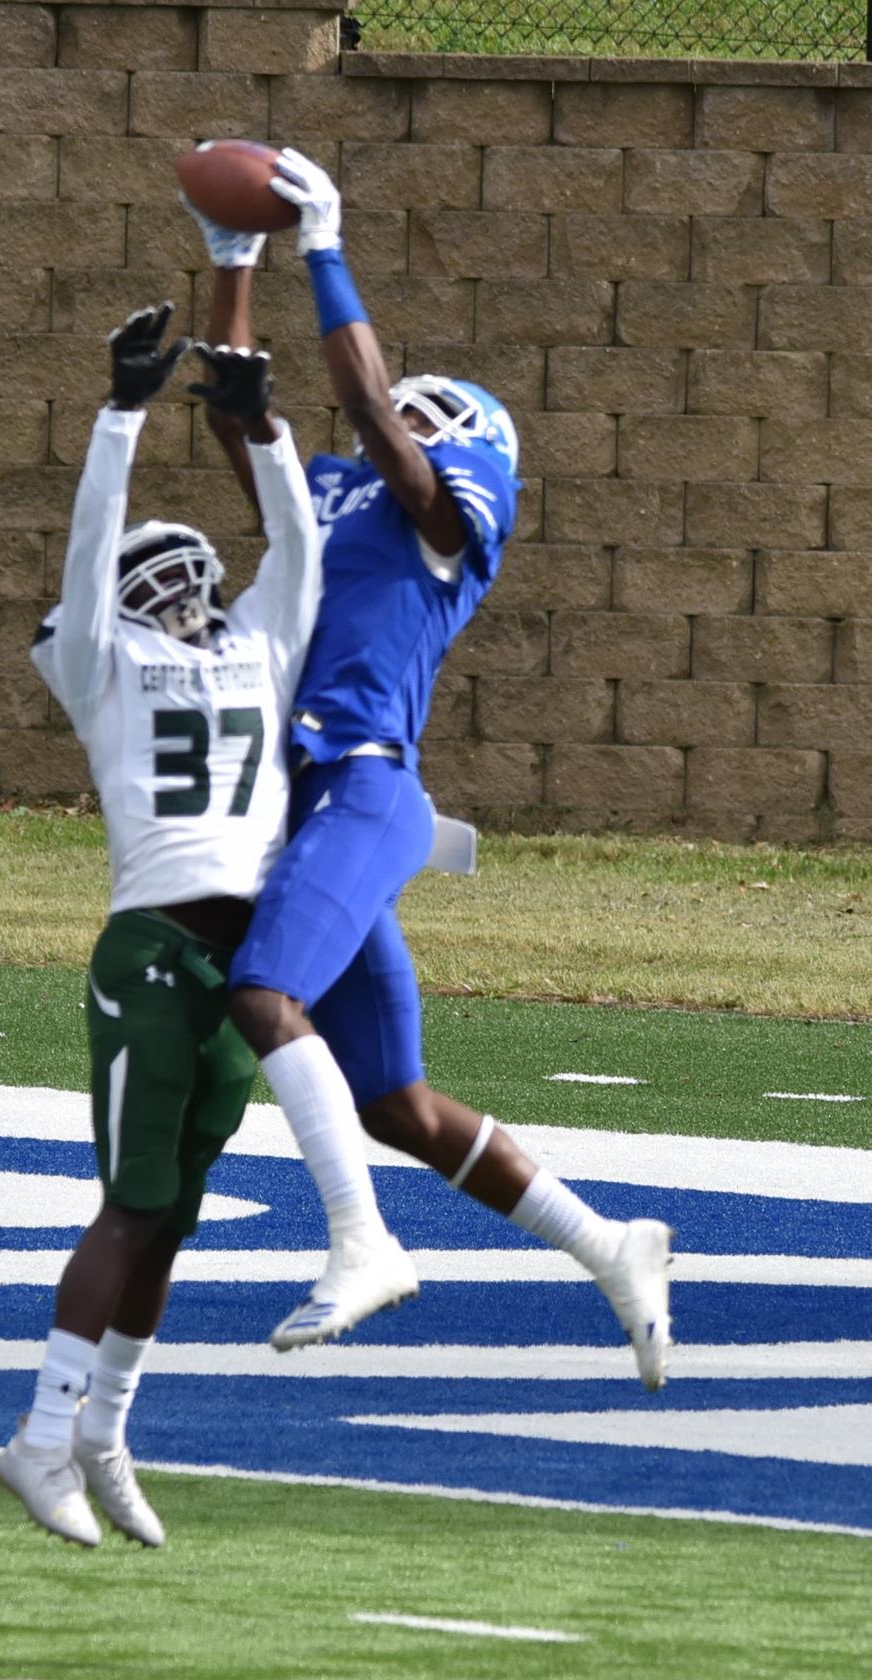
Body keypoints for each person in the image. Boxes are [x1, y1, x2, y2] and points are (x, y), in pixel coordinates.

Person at [189, 151, 675, 1385]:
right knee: (392, 1102)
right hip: (304, 798)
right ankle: (611, 1246)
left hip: (362, 784)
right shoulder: (344, 495)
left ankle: (360, 1242)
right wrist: (230, 261)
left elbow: (367, 418)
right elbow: (242, 415)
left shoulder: (447, 517)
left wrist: (324, 247)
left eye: (418, 406)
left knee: (262, 997)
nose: (396, 406)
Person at [0, 302, 416, 1552]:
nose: (178, 589)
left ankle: (106, 1431)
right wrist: (120, 412)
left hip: (241, 959)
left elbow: (299, 545)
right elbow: (82, 562)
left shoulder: (256, 645)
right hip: (151, 948)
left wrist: (266, 423)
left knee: (171, 1212)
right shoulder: (97, 659)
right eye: (152, 577)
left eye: (190, 570)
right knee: (128, 1205)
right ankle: (36, 1438)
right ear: (121, 602)